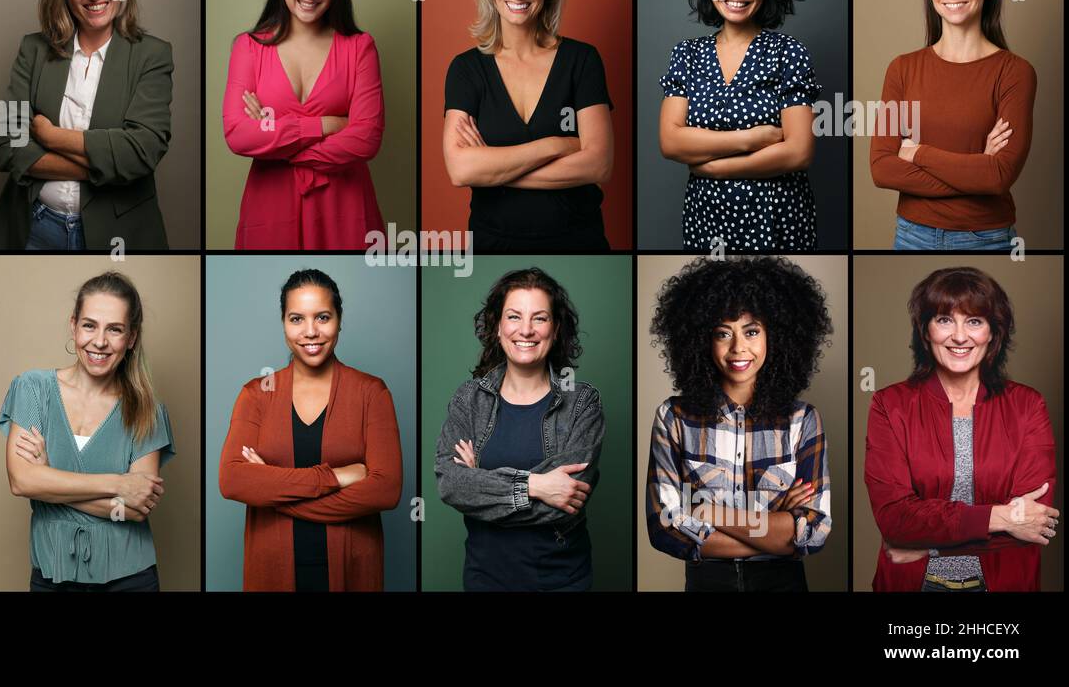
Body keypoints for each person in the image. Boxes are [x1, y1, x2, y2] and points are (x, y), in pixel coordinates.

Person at [865, 267, 1057, 591]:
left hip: (1005, 584)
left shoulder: (1028, 406)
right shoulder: (890, 405)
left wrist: (928, 545)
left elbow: (1035, 523)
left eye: (974, 321)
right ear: (925, 331)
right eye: (943, 320)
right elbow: (895, 519)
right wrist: (1001, 518)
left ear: (993, 333)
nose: (959, 336)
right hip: (913, 584)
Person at [646, 256, 832, 591]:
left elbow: (814, 532)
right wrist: (779, 536)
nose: (738, 348)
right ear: (702, 339)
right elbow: (664, 529)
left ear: (775, 335)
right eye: (722, 333)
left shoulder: (802, 420)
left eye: (751, 331)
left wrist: (709, 513)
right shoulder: (674, 418)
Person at [219, 269, 402, 590]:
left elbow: (385, 490)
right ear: (283, 323)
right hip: (271, 569)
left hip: (351, 569)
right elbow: (233, 480)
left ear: (339, 320)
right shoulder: (255, 394)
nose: (310, 331)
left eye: (322, 317)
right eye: (296, 319)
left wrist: (273, 493)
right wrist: (335, 477)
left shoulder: (372, 392)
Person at [0, 0, 173, 250]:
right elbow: (8, 144)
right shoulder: (33, 50)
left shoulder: (153, 54)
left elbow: (142, 151)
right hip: (34, 227)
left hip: (118, 233)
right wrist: (110, 165)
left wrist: (51, 137)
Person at [442, 0, 614, 251]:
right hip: (492, 245)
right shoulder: (466, 69)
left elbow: (599, 164)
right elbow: (461, 169)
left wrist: (494, 171)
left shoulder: (582, 59)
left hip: (578, 242)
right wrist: (556, 144)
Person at [0, 271, 174, 591]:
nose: (100, 341)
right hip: (53, 573)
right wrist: (119, 484)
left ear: (131, 338)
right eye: (89, 325)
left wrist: (48, 482)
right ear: (73, 325)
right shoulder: (32, 389)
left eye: (115, 329)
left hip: (131, 578)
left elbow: (135, 507)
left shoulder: (148, 410)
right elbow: (21, 480)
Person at [435, 268, 604, 590]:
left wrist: (481, 483)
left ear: (555, 330)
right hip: (485, 578)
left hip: (561, 581)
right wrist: (537, 485)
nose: (525, 330)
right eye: (514, 317)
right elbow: (451, 485)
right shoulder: (468, 399)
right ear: (497, 326)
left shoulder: (583, 402)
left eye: (539, 318)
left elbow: (565, 503)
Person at [658, 0, 821, 251]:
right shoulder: (686, 54)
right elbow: (671, 141)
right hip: (707, 219)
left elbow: (798, 151)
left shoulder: (789, 52)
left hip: (776, 218)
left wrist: (720, 168)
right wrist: (752, 137)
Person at [870, 0, 1035, 251]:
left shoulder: (1016, 72)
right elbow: (882, 169)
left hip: (988, 238)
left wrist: (918, 153)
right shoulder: (901, 68)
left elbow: (999, 176)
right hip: (911, 235)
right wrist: (976, 168)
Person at [223, 0, 385, 250]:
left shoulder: (359, 47)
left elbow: (367, 138)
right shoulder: (249, 47)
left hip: (344, 202)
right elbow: (237, 134)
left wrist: (278, 144)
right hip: (270, 203)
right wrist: (327, 124)